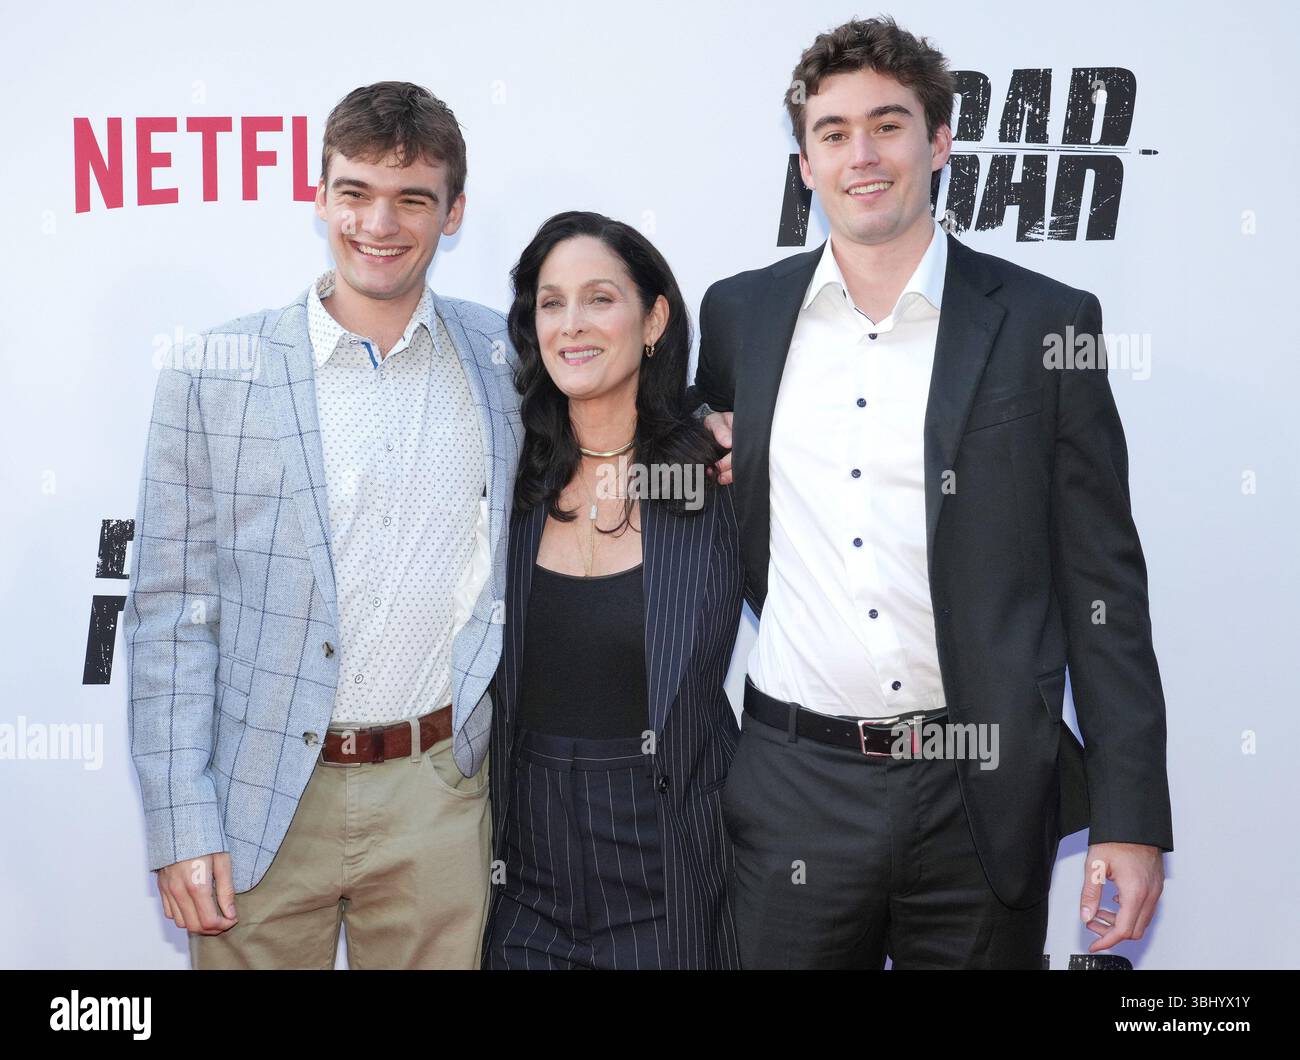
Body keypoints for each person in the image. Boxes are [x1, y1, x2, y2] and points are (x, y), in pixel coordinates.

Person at [692, 17, 1172, 969]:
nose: (860, 156)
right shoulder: (739, 314)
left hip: (979, 789)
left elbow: (1102, 586)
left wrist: (1130, 816)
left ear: (940, 142)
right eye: (832, 134)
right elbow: (706, 477)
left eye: (888, 125)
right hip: (795, 783)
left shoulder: (1045, 322)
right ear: (803, 162)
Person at [123, 82, 520, 968]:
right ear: (319, 197)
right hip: (258, 795)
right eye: (356, 193)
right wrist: (181, 820)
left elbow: (620, 412)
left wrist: (711, 436)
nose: (380, 223)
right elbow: (168, 614)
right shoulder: (212, 374)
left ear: (452, 212)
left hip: (440, 793)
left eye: (412, 198)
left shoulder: (506, 361)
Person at [481, 211, 744, 969]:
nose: (572, 325)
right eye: (551, 303)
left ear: (654, 317)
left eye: (600, 298)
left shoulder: (717, 471)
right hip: (523, 868)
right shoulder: (507, 469)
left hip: (670, 862)